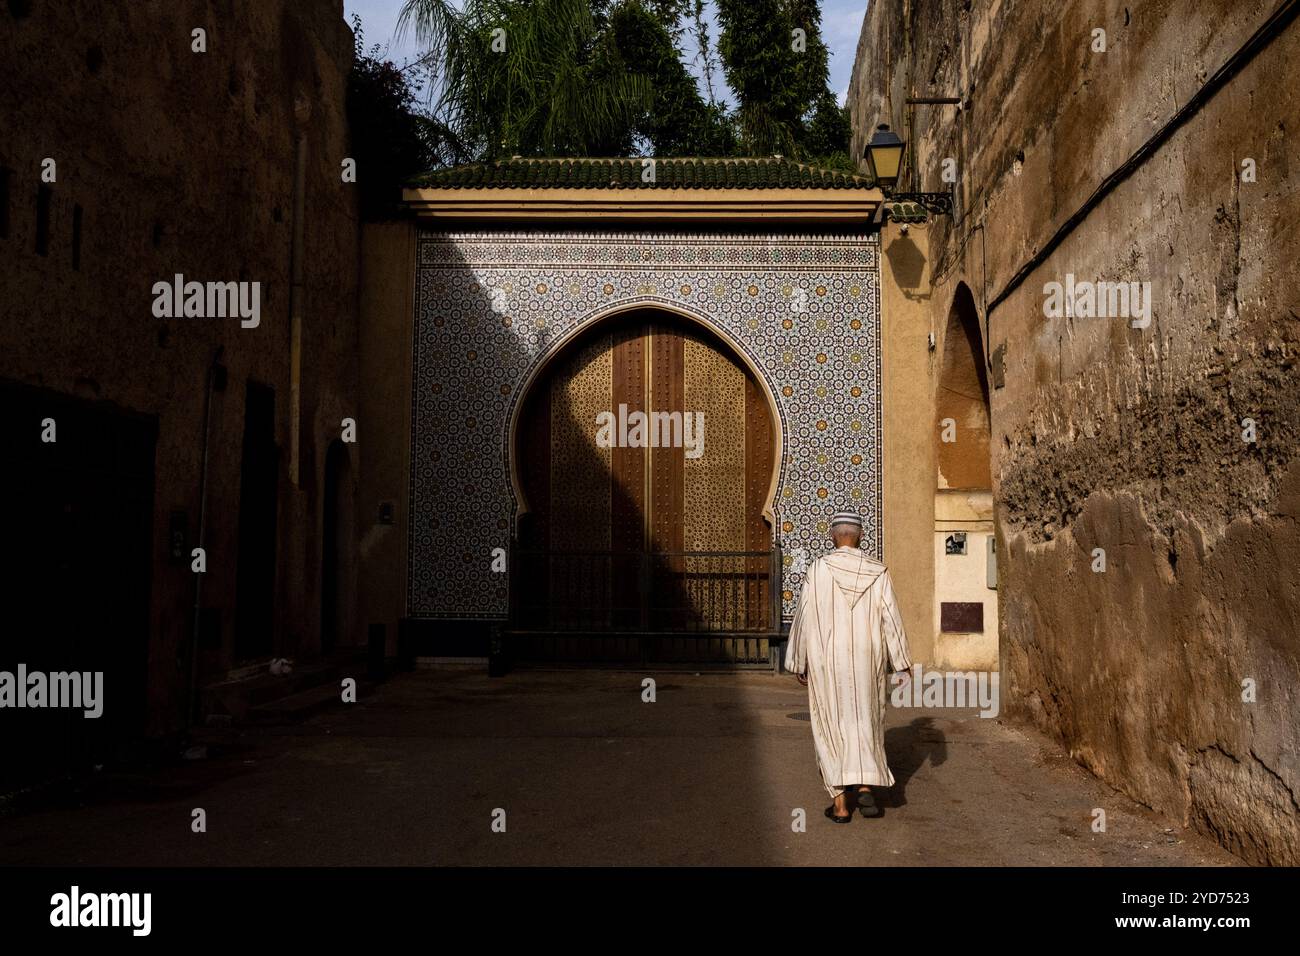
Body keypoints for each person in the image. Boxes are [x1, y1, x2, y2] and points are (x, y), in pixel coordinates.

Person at [786, 511, 913, 823]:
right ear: (861, 536)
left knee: (829, 727)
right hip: (866, 659)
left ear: (833, 536)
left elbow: (804, 615)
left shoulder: (818, 570)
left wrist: (798, 660)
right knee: (864, 721)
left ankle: (841, 807)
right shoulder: (878, 571)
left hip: (826, 659)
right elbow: (891, 618)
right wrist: (902, 663)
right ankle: (867, 785)